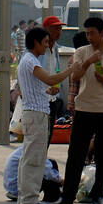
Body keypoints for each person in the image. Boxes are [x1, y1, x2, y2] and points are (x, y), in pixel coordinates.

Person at [57, 16, 103, 204]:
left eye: (92, 33)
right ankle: (68, 195)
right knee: (75, 154)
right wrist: (89, 61)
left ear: (102, 33)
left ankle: (98, 194)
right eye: (87, 33)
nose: (89, 37)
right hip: (83, 109)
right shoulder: (81, 52)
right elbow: (76, 76)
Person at [16, 26, 74, 204]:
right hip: (36, 114)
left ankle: (26, 196)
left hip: (36, 112)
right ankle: (29, 198)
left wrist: (48, 91)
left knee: (32, 156)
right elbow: (49, 78)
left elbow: (37, 86)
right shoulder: (30, 61)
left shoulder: (29, 60)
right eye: (45, 42)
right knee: (34, 158)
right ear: (36, 43)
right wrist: (70, 71)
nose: (47, 46)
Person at [40, 15, 67, 145]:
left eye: (60, 29)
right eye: (56, 28)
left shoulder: (55, 48)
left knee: (48, 136)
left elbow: (55, 70)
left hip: (52, 99)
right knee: (38, 138)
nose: (59, 32)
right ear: (47, 29)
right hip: (39, 100)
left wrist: (56, 87)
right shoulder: (38, 51)